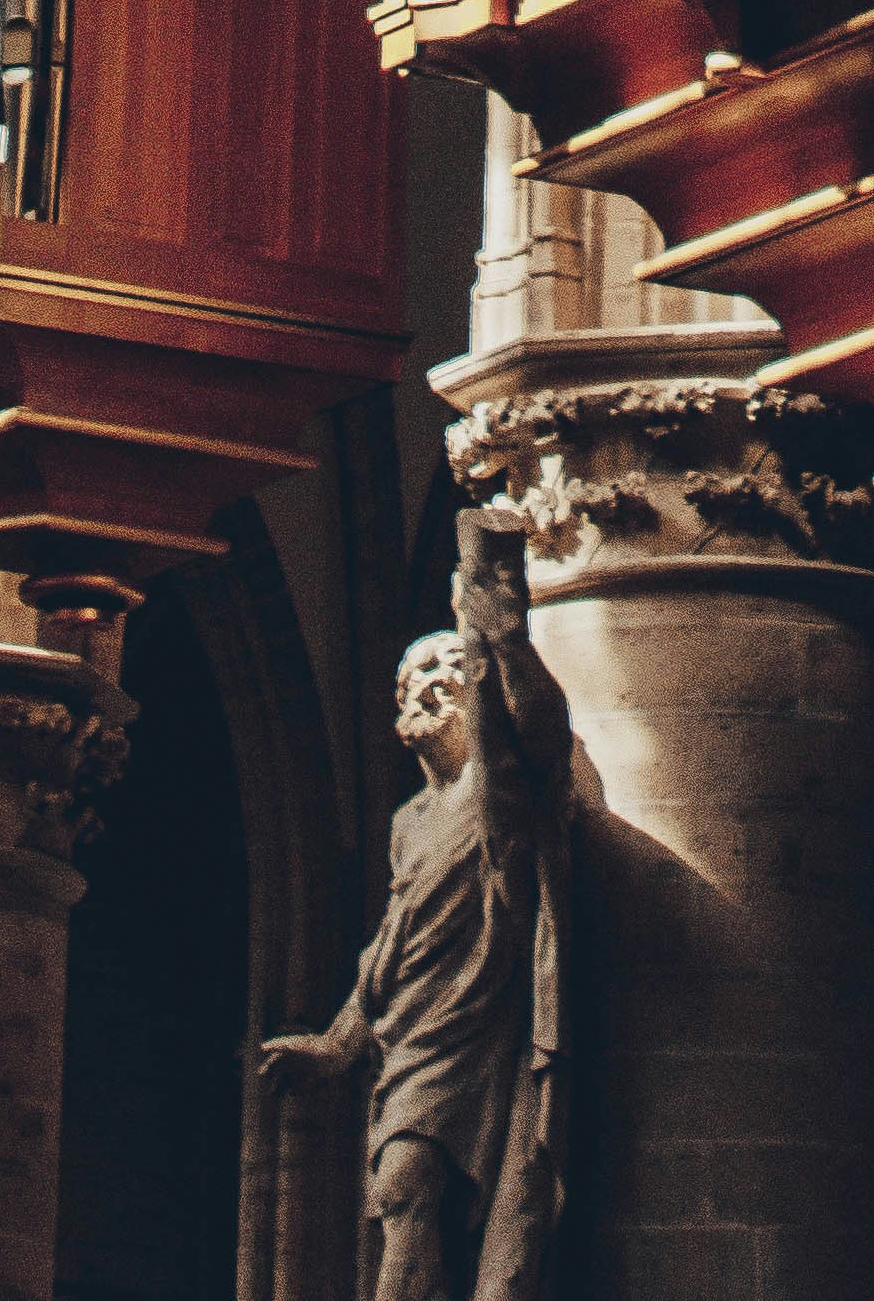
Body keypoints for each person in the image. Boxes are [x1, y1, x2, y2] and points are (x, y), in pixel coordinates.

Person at [265, 515, 573, 1301]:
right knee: (400, 1202)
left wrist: (502, 633)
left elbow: (538, 731)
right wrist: (337, 1045)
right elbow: (389, 950)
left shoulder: (495, 788)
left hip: (474, 1025)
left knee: (406, 1185)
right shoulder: (409, 822)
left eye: (446, 666)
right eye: (411, 675)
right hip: (411, 1033)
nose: (426, 681)